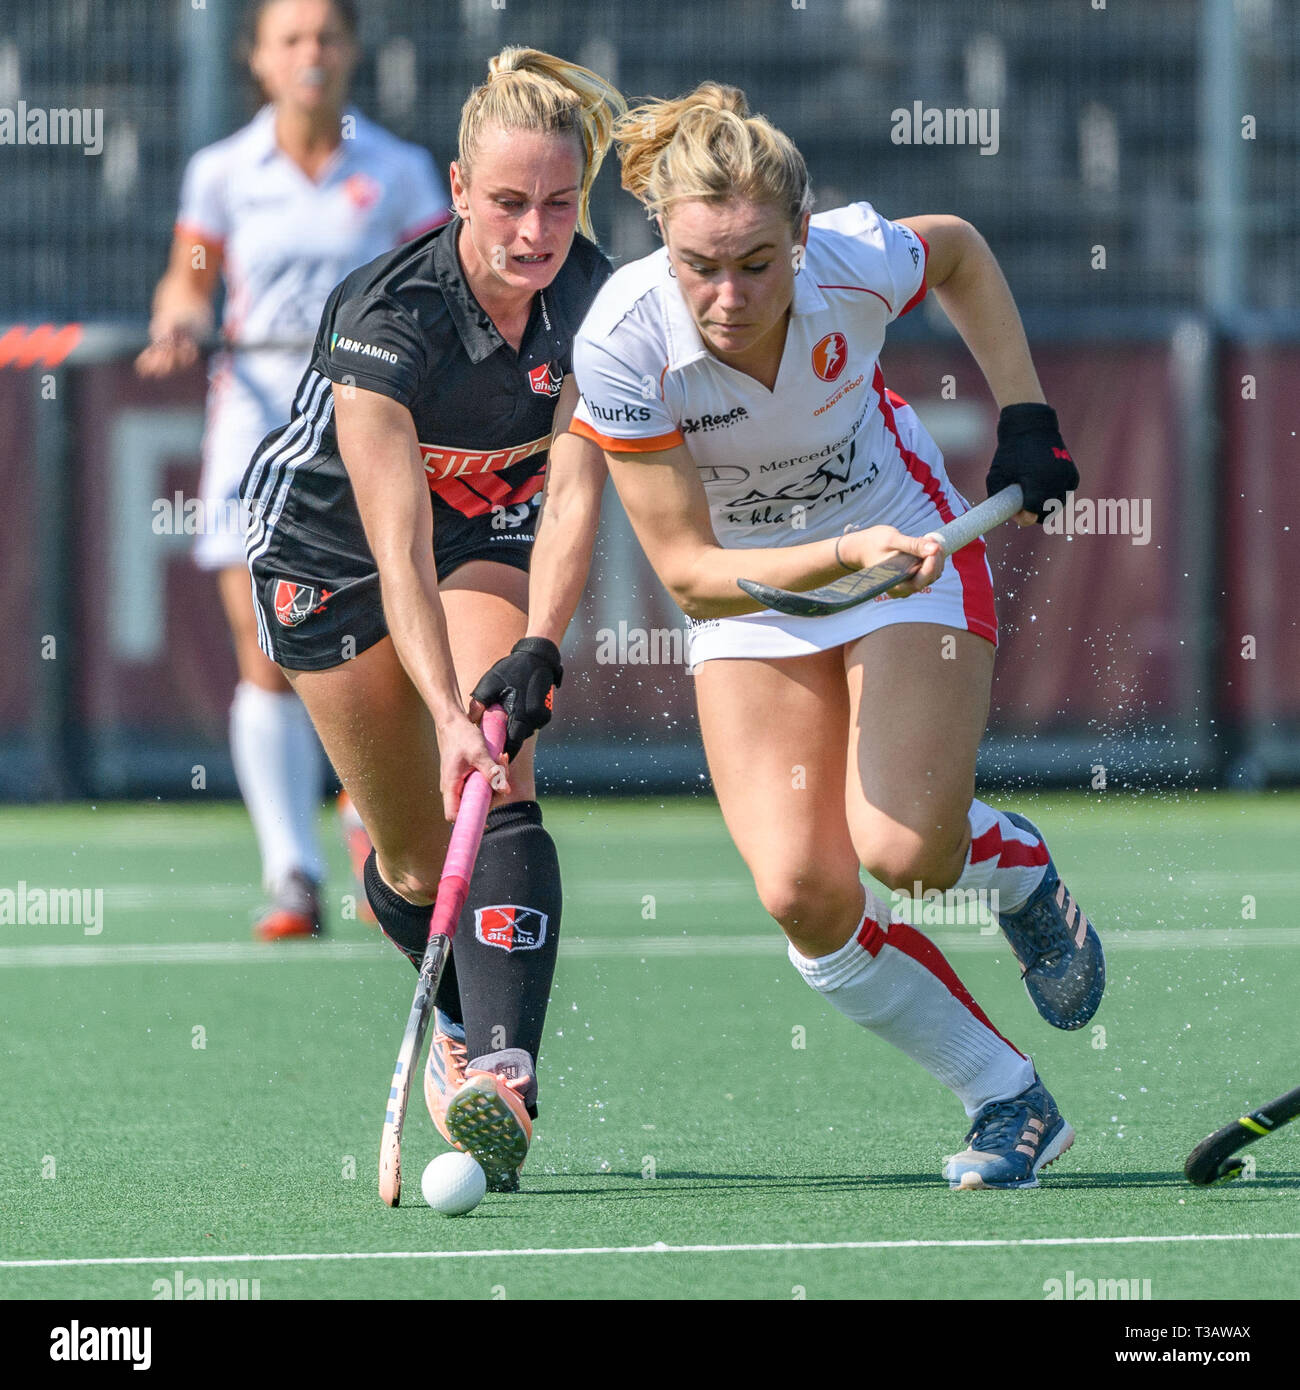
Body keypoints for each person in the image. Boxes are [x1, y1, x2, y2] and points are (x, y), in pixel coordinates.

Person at [472, 84, 1105, 1191]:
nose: (726, 296)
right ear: (662, 246)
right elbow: (689, 574)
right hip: (754, 595)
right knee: (802, 894)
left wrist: (1025, 414)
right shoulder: (626, 339)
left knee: (906, 854)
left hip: (909, 547)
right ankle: (1007, 1097)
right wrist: (833, 554)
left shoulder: (852, 261)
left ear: (801, 240)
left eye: (756, 264)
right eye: (698, 267)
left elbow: (955, 251)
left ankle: (1019, 872)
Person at [240, 48, 624, 1191]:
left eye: (557, 203)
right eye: (507, 201)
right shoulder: (389, 315)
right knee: (410, 857)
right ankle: (458, 1022)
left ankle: (502, 1071)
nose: (533, 229)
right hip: (327, 562)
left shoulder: (596, 302)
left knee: (499, 776)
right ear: (459, 189)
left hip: (482, 542)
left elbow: (576, 490)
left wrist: (538, 644)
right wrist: (442, 706)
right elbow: (391, 546)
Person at [136, 0, 450, 940]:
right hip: (257, 434)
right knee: (266, 650)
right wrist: (181, 314)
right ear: (260, 62)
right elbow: (188, 275)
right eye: (291, 39)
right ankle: (291, 873)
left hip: (370, 432)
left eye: (327, 37)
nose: (311, 54)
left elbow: (444, 284)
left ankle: (375, 817)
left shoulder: (396, 171)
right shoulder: (222, 172)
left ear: (350, 53)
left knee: (379, 649)